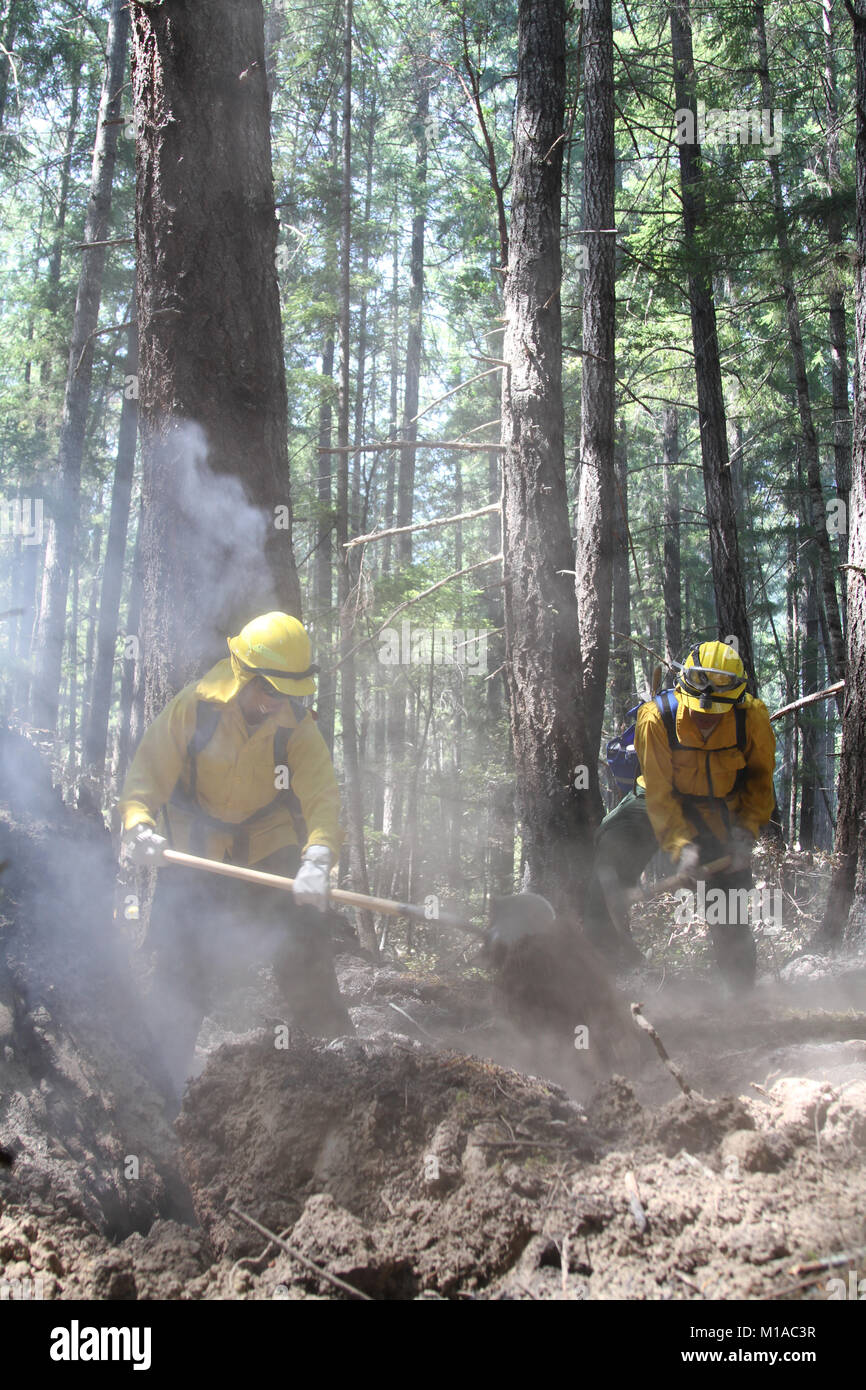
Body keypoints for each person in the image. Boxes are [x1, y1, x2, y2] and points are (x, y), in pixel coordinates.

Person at [118, 611, 352, 1101]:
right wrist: (139, 827)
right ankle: (158, 1093)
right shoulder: (195, 708)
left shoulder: (295, 726)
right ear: (245, 676)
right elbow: (146, 775)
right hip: (195, 856)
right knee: (182, 972)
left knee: (304, 949)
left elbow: (322, 798)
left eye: (289, 694)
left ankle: (344, 1071)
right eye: (271, 692)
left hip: (269, 849)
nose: (278, 704)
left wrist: (318, 857)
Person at [584, 640, 777, 989]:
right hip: (655, 800)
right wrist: (683, 849)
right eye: (699, 710)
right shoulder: (656, 716)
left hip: (716, 807)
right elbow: (659, 793)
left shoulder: (753, 717)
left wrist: (745, 832)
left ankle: (740, 993)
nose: (704, 717)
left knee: (729, 898)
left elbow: (760, 781)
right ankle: (601, 975)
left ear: (734, 699)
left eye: (714, 713)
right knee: (610, 848)